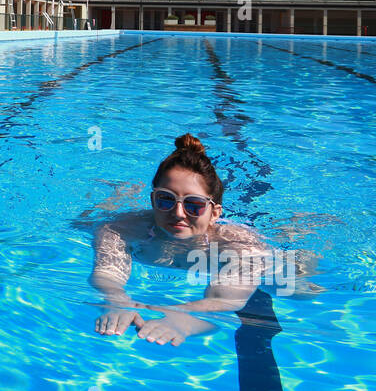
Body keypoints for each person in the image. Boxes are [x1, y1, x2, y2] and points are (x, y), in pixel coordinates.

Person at [90, 133, 294, 346]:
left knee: (301, 292)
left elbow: (225, 299)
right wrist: (116, 299)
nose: (178, 213)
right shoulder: (120, 229)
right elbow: (107, 274)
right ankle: (121, 193)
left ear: (215, 213)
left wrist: (184, 318)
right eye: (166, 199)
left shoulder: (240, 245)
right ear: (152, 200)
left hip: (267, 247)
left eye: (193, 204)